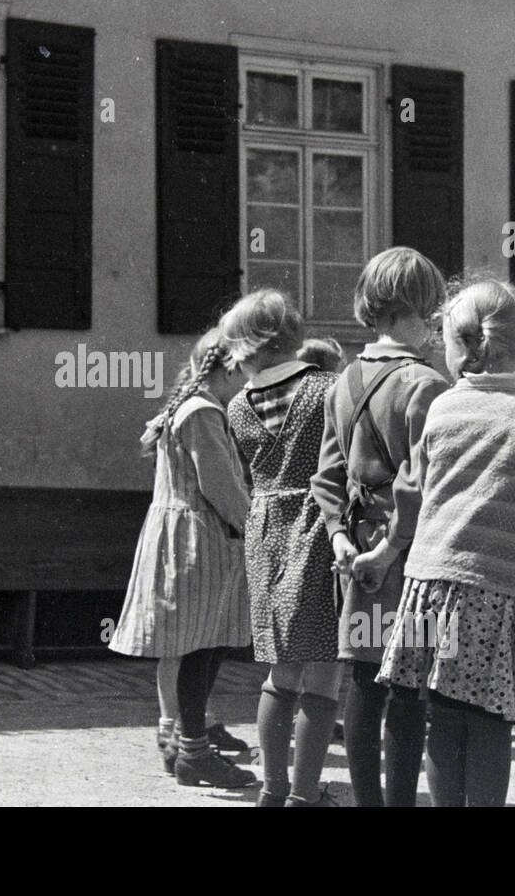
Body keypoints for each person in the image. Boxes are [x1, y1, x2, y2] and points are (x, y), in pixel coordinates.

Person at [377, 279, 515, 807]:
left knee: (441, 713)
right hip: (501, 589)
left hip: (432, 582)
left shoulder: (444, 408)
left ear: (462, 344)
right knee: (490, 720)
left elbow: (415, 490)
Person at [310, 246, 447, 806]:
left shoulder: (343, 380)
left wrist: (342, 539)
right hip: (405, 556)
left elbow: (327, 477)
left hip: (357, 552)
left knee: (364, 686)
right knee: (409, 690)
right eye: (430, 310)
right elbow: (417, 485)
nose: (436, 323)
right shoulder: (426, 385)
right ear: (411, 308)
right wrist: (389, 551)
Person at [109, 327, 256, 789]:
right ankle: (193, 750)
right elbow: (219, 484)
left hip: (192, 534)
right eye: (245, 370)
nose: (248, 380)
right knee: (202, 644)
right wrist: (255, 527)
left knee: (202, 642)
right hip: (200, 536)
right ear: (229, 368)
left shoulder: (191, 408)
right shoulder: (203, 412)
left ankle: (182, 742)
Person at [223, 289, 343, 807]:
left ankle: (271, 792)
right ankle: (303, 795)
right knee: (324, 671)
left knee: (280, 670)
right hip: (319, 522)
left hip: (266, 528)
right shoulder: (326, 388)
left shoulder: (236, 404)